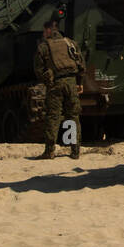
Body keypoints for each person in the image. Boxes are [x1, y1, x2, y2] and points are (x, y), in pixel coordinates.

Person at [33, 13, 84, 159]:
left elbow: (38, 69)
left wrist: (47, 81)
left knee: (53, 116)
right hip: (71, 83)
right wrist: (79, 84)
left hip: (56, 85)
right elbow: (81, 66)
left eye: (44, 31)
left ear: (49, 31)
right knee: (72, 116)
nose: (43, 34)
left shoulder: (44, 47)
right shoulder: (71, 44)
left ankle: (50, 151)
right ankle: (74, 151)